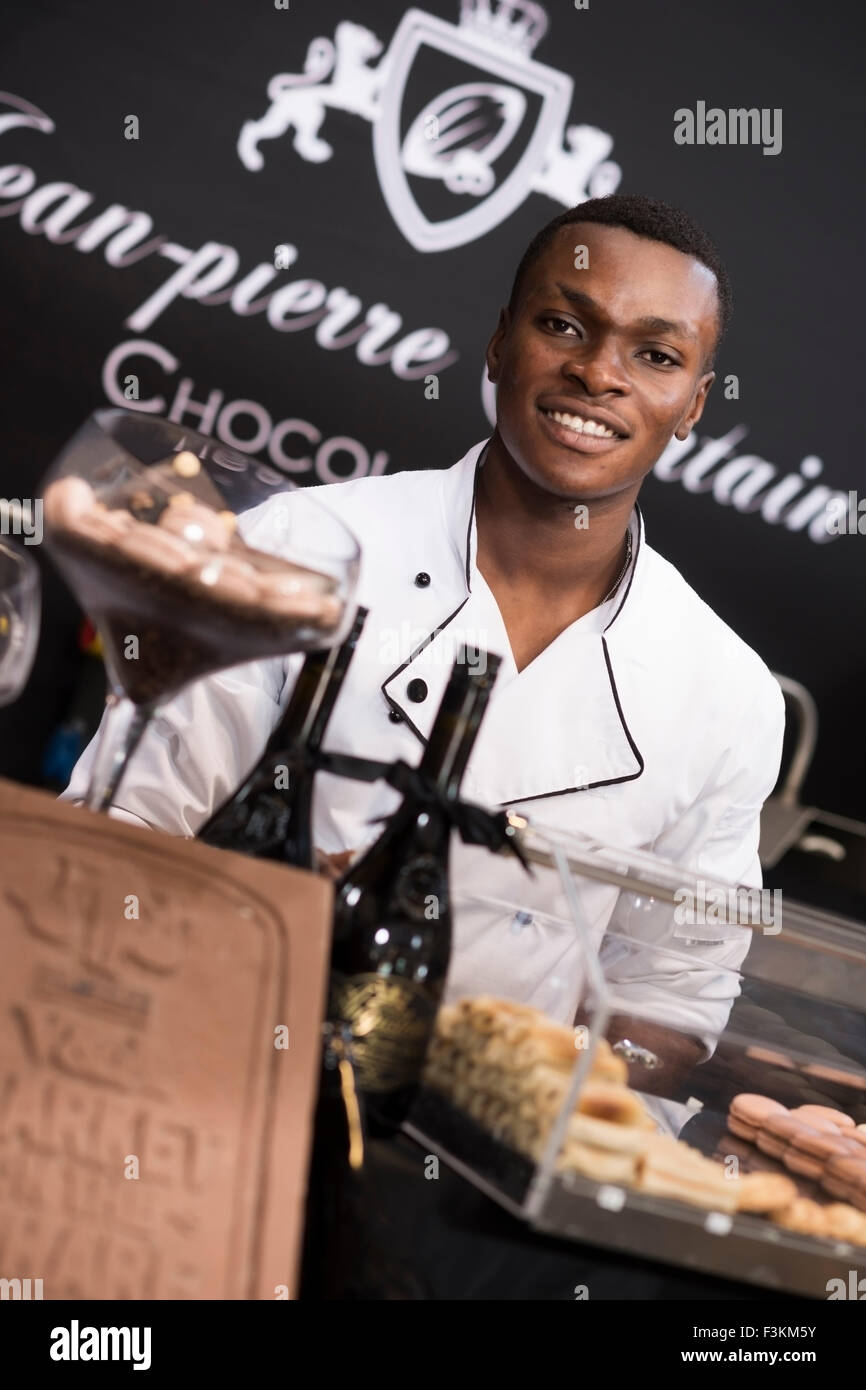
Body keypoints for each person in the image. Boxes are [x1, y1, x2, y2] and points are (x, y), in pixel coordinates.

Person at [63, 194, 785, 1108]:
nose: (600, 374)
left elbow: (669, 993)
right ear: (499, 342)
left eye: (655, 354)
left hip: (474, 1164)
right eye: (564, 324)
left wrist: (549, 1130)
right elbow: (121, 830)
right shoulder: (302, 543)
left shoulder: (727, 694)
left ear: (690, 404)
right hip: (191, 1080)